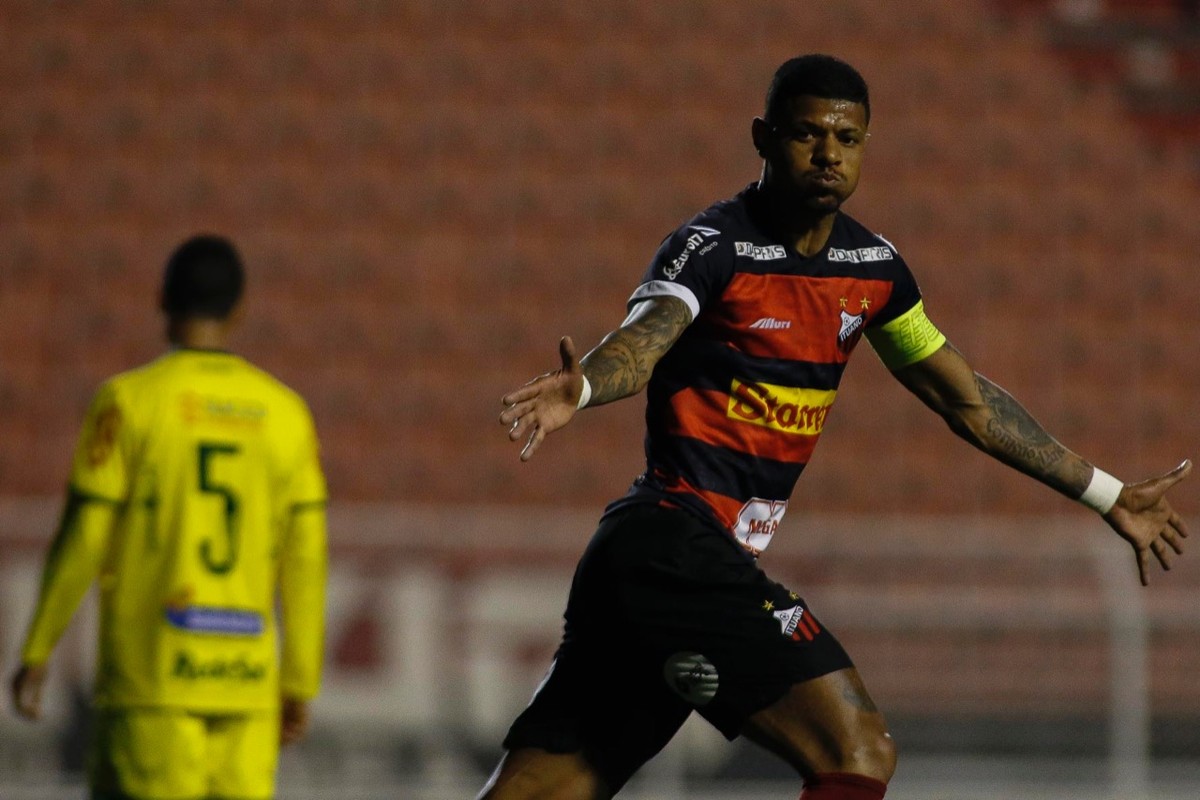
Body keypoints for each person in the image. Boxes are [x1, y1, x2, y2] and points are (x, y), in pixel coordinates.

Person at [484, 54, 1192, 800]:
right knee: (857, 749)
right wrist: (587, 384)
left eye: (848, 140)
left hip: (658, 568)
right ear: (764, 137)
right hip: (673, 545)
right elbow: (650, 336)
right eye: (808, 135)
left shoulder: (874, 270)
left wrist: (1106, 493)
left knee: (546, 789)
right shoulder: (716, 247)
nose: (829, 155)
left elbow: (967, 402)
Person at [10, 235, 328, 800]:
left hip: (150, 686)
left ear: (161, 298)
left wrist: (38, 648)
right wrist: (299, 680)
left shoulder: (129, 402)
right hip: (246, 689)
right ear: (240, 309)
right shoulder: (285, 413)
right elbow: (306, 556)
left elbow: (84, 535)